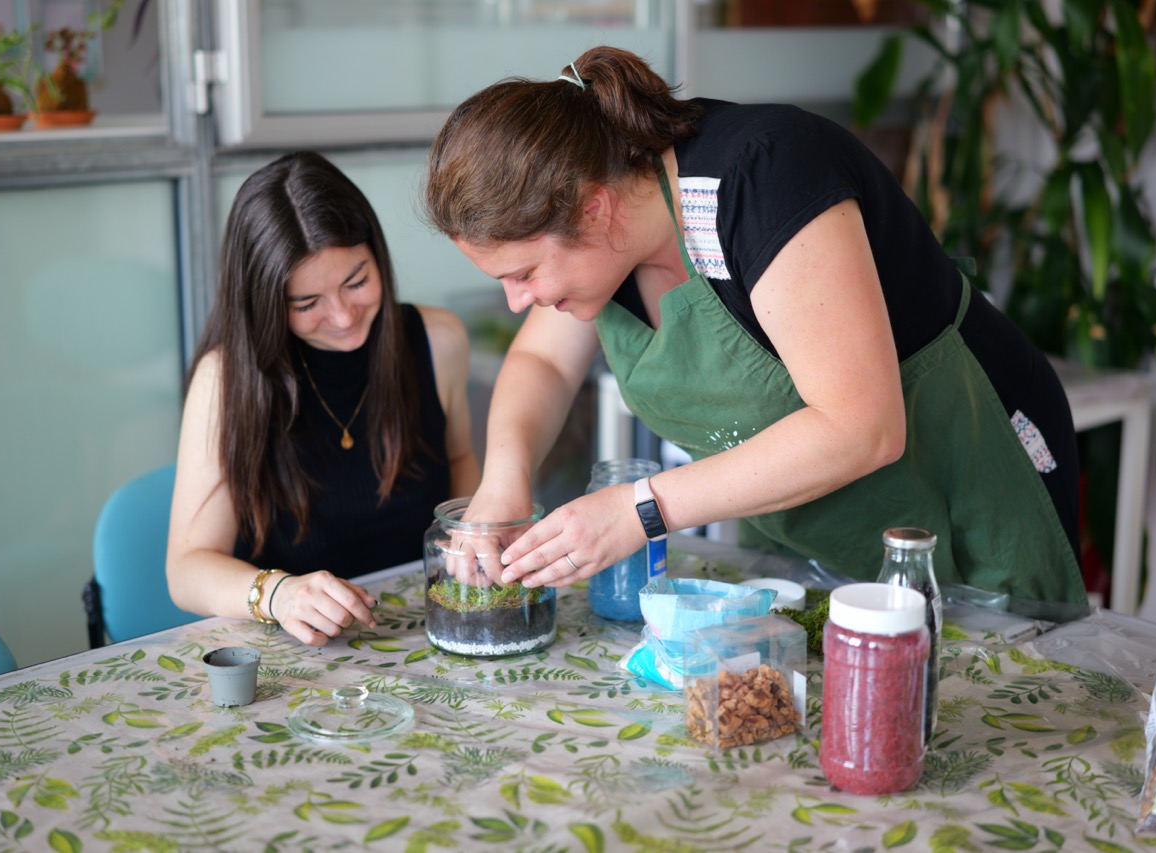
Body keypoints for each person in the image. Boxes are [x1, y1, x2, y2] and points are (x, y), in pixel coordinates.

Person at [424, 46, 1086, 606]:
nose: (519, 302)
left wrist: (641, 508)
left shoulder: (761, 177)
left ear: (594, 212)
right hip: (811, 517)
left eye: (525, 273)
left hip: (968, 467)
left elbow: (864, 426)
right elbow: (542, 365)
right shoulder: (606, 235)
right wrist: (503, 481)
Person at [168, 151, 480, 646]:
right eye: (306, 303)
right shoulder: (226, 380)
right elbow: (187, 570)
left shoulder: (439, 339)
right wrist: (280, 594)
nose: (342, 316)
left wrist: (470, 534)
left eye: (356, 281)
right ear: (266, 305)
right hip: (298, 647)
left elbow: (460, 458)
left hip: (428, 627)